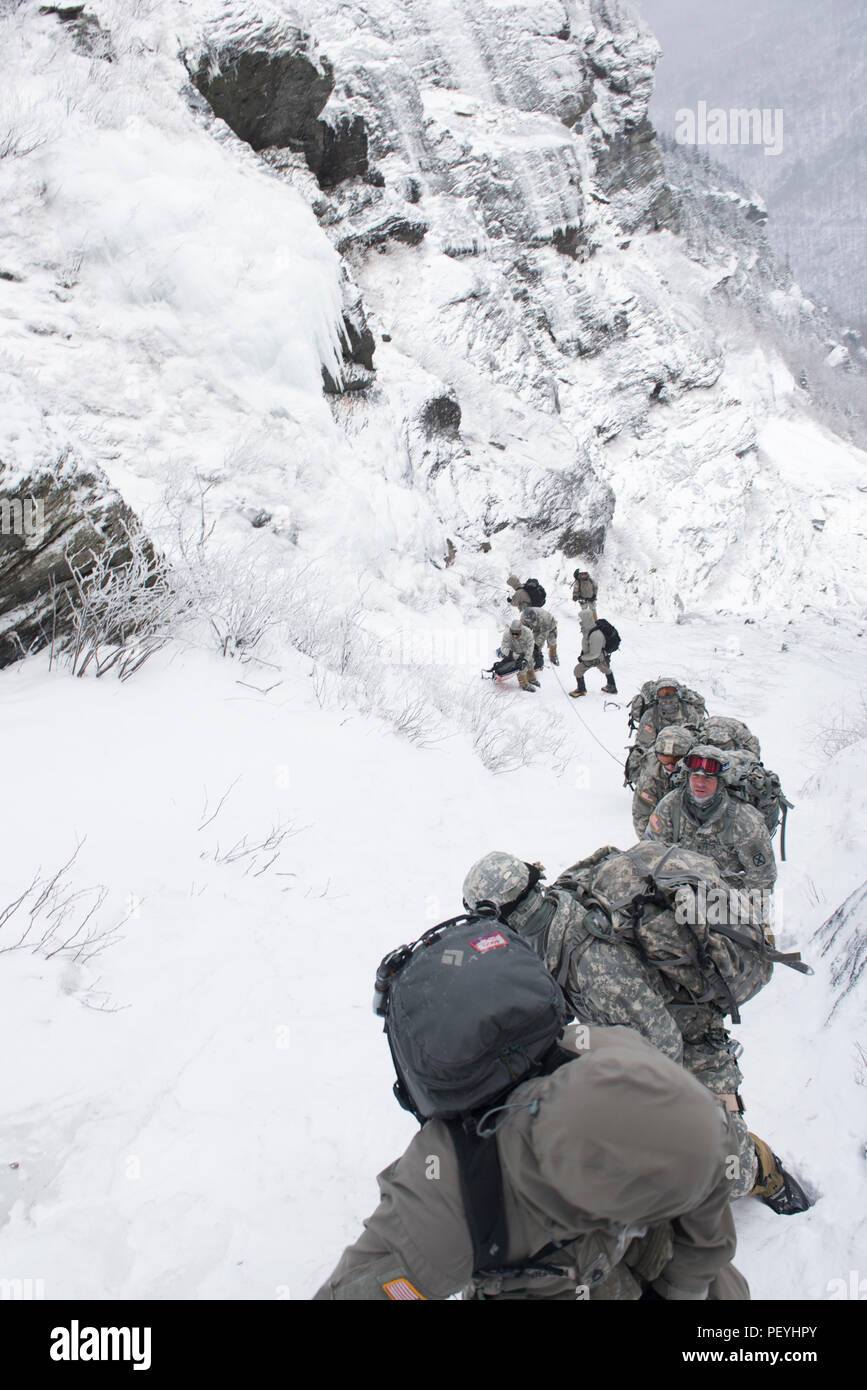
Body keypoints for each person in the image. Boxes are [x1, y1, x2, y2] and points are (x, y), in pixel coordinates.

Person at [313, 1022, 749, 1300]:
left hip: (613, 1231)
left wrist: (683, 1291)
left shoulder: (633, 1069)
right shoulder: (446, 1213)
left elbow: (707, 1194)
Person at [644, 745, 777, 892]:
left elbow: (763, 878)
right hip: (676, 891)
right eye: (695, 776)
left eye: (708, 778)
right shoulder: (670, 806)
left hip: (724, 898)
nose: (700, 783)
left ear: (721, 782)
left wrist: (736, 908)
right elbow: (650, 853)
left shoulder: (745, 820)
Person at [632, 724, 694, 837]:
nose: (670, 766)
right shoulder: (650, 778)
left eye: (676, 759)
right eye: (664, 759)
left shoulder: (699, 776)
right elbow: (642, 815)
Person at [569, 609, 617, 697]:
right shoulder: (588, 629)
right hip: (598, 656)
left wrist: (582, 658)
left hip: (596, 657)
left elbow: (594, 654)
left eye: (581, 620)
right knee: (604, 668)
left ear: (586, 620)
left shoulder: (596, 635)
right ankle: (612, 686)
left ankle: (581, 689)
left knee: (578, 670)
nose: (580, 622)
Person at [494, 616, 536, 691]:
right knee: (520, 667)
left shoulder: (528, 632)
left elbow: (530, 647)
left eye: (517, 633)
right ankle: (524, 684)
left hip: (525, 650)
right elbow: (503, 648)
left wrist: (526, 659)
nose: (514, 635)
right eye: (512, 633)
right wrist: (515, 656)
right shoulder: (507, 633)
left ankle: (532, 679)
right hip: (513, 652)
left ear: (521, 630)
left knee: (530, 662)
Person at [520, 605, 558, 679]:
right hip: (536, 628)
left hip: (549, 627)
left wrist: (537, 645)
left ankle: (553, 656)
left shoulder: (544, 617)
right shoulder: (523, 618)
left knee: (551, 641)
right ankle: (536, 659)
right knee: (533, 645)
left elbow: (544, 634)